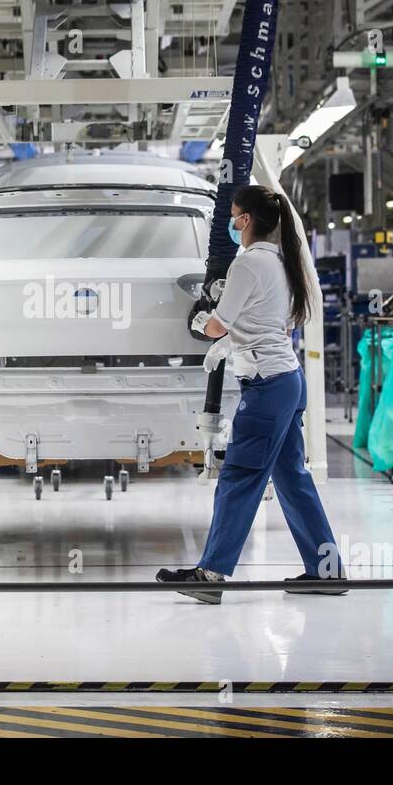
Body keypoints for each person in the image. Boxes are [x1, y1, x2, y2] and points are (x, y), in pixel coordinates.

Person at [157, 185, 346, 604]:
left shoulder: (248, 265)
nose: (230, 222)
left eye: (234, 214)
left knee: (239, 477)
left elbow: (218, 324)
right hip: (286, 380)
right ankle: (326, 571)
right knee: (293, 480)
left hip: (266, 388)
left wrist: (206, 321)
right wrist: (229, 342)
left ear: (246, 221)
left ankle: (211, 575)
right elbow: (267, 323)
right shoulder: (282, 261)